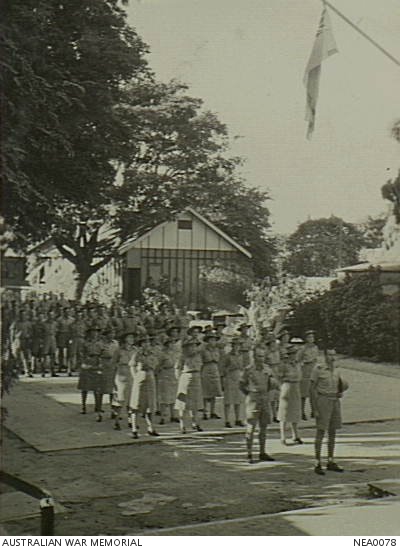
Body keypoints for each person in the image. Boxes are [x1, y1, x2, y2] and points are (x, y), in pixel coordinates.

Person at [310, 349, 349, 475]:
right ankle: (317, 462)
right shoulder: (319, 369)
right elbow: (311, 389)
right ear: (325, 356)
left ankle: (330, 460)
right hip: (323, 400)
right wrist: (314, 408)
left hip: (334, 401)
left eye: (334, 354)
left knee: (333, 431)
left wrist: (340, 392)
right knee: (321, 431)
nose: (332, 357)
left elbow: (340, 385)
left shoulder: (337, 370)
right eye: (329, 355)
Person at [239, 345, 279, 463]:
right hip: (253, 397)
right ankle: (249, 453)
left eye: (262, 356)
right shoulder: (248, 369)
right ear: (253, 357)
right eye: (258, 356)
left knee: (264, 427)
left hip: (265, 397)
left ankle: (262, 452)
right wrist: (250, 394)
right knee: (251, 426)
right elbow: (241, 384)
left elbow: (273, 382)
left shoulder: (267, 369)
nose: (260, 359)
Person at [129, 335, 160, 438]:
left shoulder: (152, 354)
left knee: (150, 404)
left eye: (148, 343)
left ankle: (151, 427)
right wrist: (136, 377)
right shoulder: (137, 354)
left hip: (150, 377)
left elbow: (155, 365)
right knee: (136, 403)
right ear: (140, 345)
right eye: (144, 343)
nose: (146, 345)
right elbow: (132, 366)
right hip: (140, 377)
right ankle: (134, 428)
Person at [175, 337, 203, 434]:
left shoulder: (198, 356)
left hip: (196, 377)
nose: (193, 348)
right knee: (183, 403)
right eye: (191, 346)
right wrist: (179, 380)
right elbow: (177, 369)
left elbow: (201, 367)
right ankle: (182, 425)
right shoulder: (182, 357)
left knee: (196, 402)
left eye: (195, 346)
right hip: (186, 377)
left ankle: (195, 423)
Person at [277, 345, 303, 445]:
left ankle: (295, 435)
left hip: (296, 386)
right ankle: (283, 436)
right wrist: (282, 387)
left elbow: (300, 375)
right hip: (287, 386)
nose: (294, 356)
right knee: (284, 412)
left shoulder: (297, 364)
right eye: (292, 354)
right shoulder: (284, 365)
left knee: (295, 411)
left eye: (295, 353)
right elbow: (279, 377)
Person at [112, 331, 137, 430]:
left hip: (132, 374)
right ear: (125, 339)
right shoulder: (119, 350)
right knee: (120, 399)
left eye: (132, 338)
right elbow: (113, 362)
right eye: (129, 338)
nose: (131, 340)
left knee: (132, 398)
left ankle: (131, 420)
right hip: (121, 374)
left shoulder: (135, 350)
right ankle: (117, 421)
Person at [220, 337, 245, 427]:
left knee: (237, 400)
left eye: (238, 345)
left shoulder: (240, 356)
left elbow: (243, 367)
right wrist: (230, 368)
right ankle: (227, 420)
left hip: (238, 377)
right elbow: (222, 369)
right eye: (235, 345)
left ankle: (237, 419)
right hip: (229, 378)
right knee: (228, 400)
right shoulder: (227, 356)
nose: (236, 347)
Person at [78, 326, 103, 415]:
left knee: (97, 387)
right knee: (84, 387)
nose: (94, 334)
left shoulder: (100, 343)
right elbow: (81, 353)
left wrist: (100, 363)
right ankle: (83, 406)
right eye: (92, 332)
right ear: (89, 334)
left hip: (97, 363)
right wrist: (83, 363)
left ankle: (98, 406)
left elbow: (102, 353)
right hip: (87, 363)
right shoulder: (85, 343)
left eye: (96, 332)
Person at [157, 338, 179, 424]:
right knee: (164, 397)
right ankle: (163, 416)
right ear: (166, 345)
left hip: (173, 373)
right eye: (170, 343)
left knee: (173, 395)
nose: (172, 345)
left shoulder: (175, 354)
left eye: (173, 343)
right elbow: (157, 365)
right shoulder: (162, 354)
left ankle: (173, 415)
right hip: (164, 374)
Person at [298, 330, 319, 420]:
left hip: (313, 370)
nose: (311, 339)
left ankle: (314, 411)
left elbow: (316, 358)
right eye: (309, 337)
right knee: (303, 393)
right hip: (305, 371)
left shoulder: (315, 347)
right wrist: (305, 362)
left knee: (314, 393)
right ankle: (301, 412)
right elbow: (298, 359)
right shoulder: (303, 348)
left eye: (312, 337)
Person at [201, 331, 222, 420]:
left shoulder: (217, 350)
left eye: (214, 340)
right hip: (206, 368)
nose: (213, 342)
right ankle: (205, 412)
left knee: (214, 392)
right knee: (205, 392)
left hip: (215, 368)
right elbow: (201, 361)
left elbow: (218, 360)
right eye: (211, 340)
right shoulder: (203, 350)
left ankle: (213, 411)